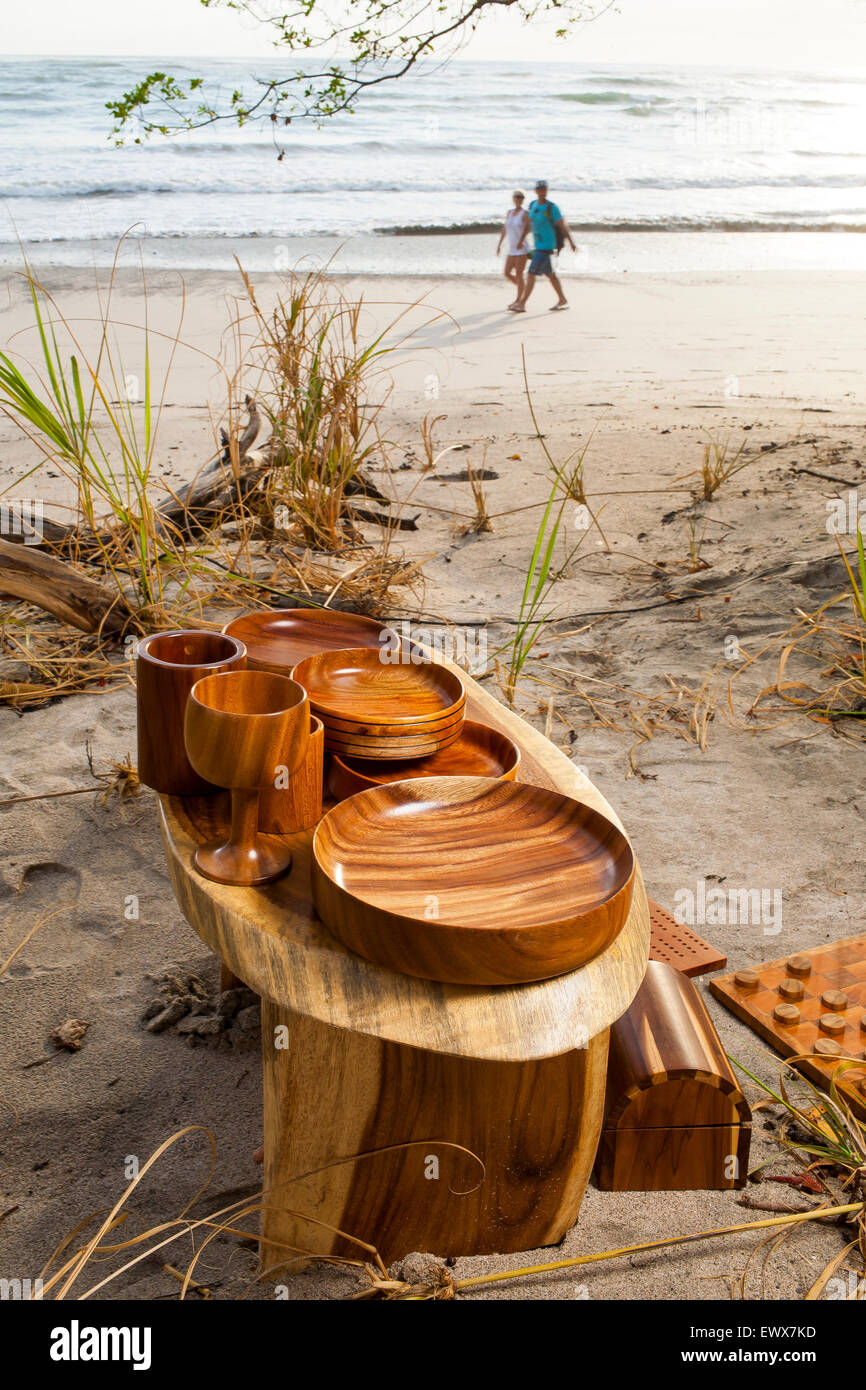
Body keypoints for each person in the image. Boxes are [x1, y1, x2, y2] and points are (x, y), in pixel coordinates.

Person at [509, 180, 576, 312]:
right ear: (536, 191)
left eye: (544, 189)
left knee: (530, 274)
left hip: (547, 246)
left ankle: (522, 303)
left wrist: (572, 242)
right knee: (550, 275)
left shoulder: (552, 207)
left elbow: (563, 225)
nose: (542, 192)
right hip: (538, 245)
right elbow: (529, 224)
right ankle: (562, 300)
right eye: (540, 190)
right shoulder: (533, 205)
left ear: (546, 190)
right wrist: (521, 239)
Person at [496, 190, 531, 305]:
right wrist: (499, 244)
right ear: (513, 198)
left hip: (521, 248)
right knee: (506, 272)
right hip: (512, 248)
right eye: (517, 197)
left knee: (519, 274)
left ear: (523, 199)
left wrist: (521, 241)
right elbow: (505, 229)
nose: (519, 199)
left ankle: (519, 299)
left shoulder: (524, 213)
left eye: (521, 197)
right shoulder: (510, 212)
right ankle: (523, 289)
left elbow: (527, 228)